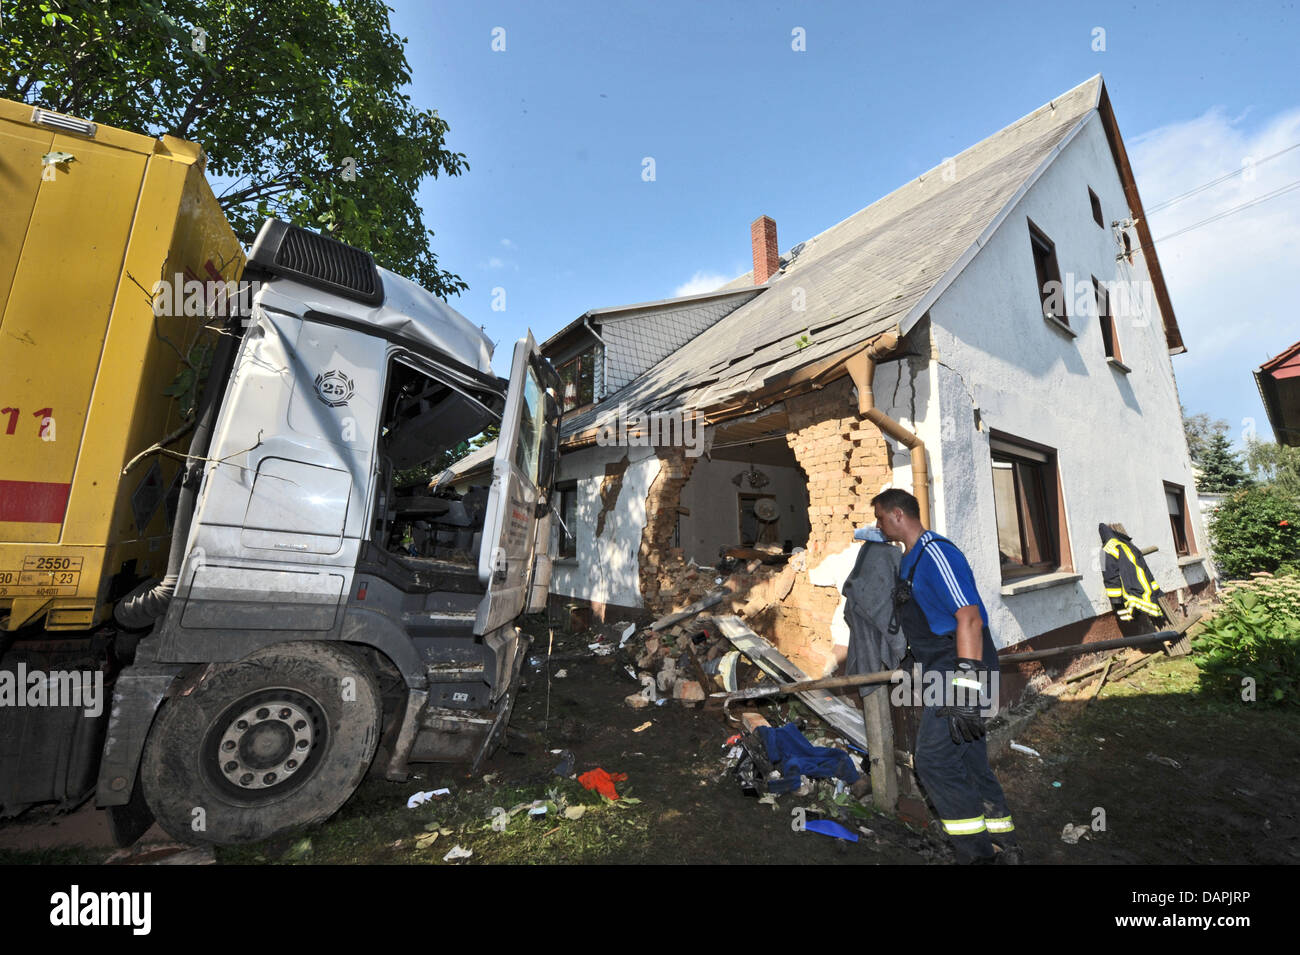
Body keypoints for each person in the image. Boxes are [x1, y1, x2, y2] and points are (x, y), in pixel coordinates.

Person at [870, 488, 1021, 864]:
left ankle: (978, 855)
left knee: (934, 761)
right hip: (941, 663)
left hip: (963, 667)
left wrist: (967, 691)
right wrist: (910, 657)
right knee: (968, 757)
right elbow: (927, 617)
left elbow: (968, 617)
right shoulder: (909, 559)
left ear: (898, 515)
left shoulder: (937, 551)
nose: (878, 525)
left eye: (880, 517)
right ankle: (1003, 841)